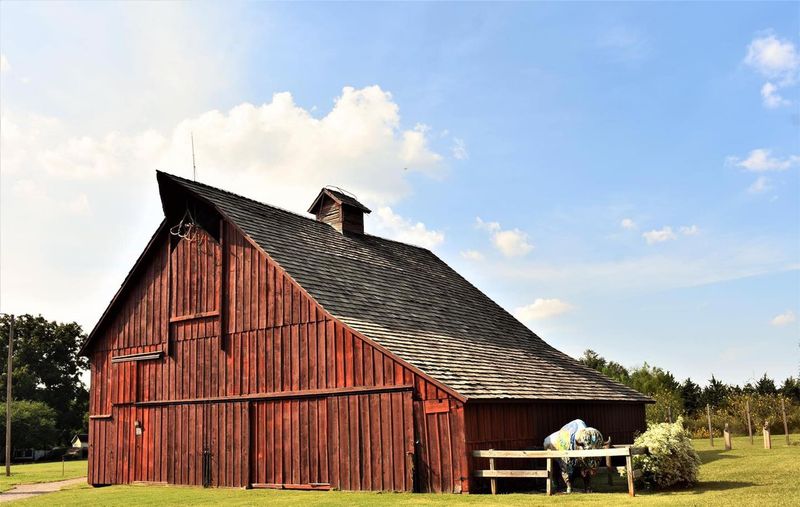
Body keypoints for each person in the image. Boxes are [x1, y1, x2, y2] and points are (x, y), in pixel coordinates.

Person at [543, 419, 604, 493]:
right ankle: (567, 486)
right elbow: (564, 463)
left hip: (581, 458)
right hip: (559, 449)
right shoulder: (569, 441)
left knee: (583, 468)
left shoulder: (586, 436)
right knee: (563, 466)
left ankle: (587, 487)